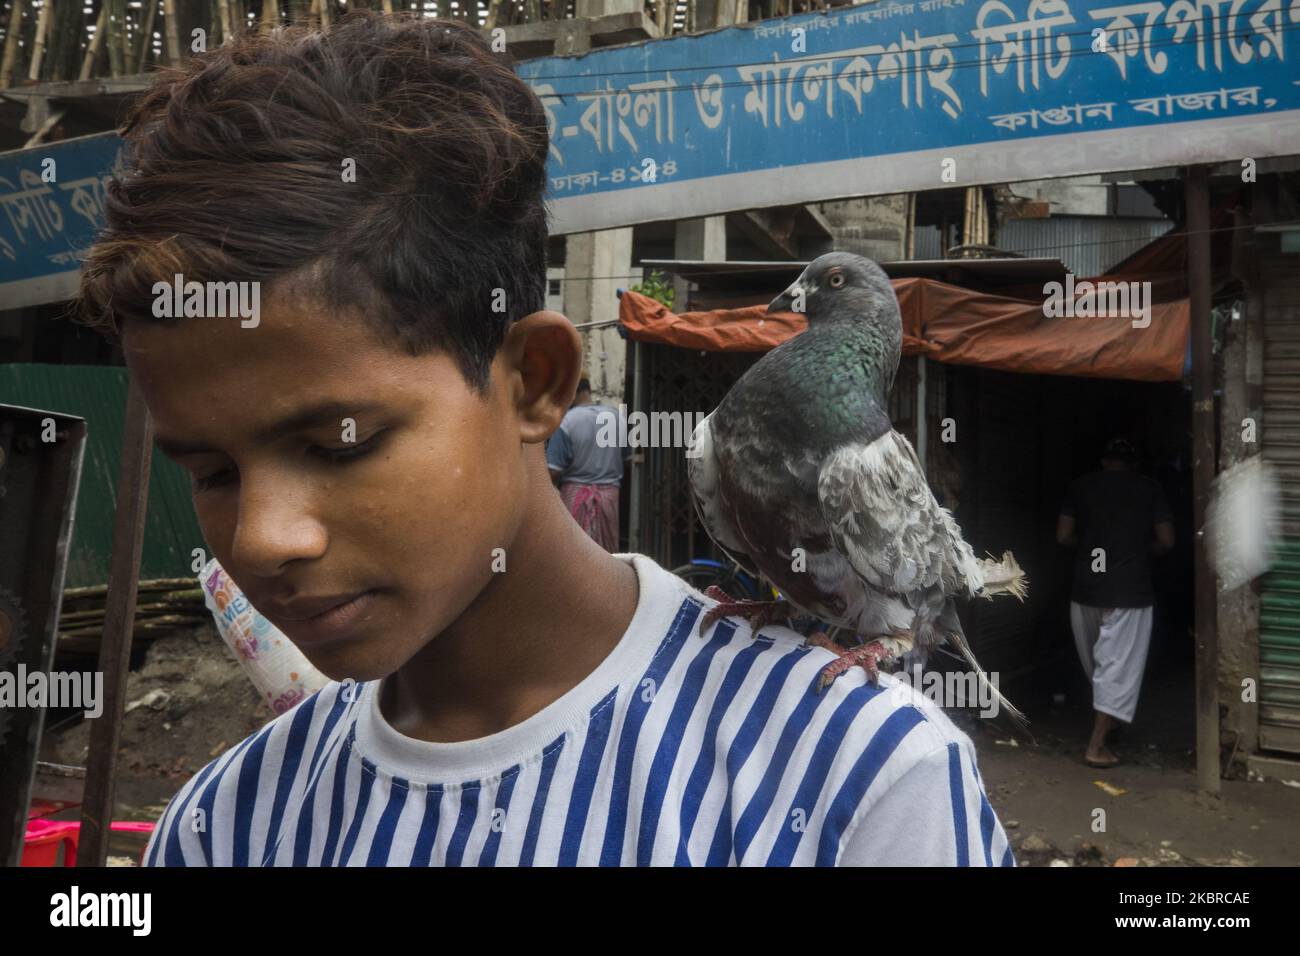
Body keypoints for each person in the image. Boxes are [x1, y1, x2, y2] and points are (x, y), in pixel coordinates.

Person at [74, 13, 1012, 866]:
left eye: (341, 443)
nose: (261, 541)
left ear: (536, 384)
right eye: (210, 470)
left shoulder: (870, 787)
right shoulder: (218, 830)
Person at [1056, 438, 1175, 769]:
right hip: (1129, 593)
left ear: (1103, 460)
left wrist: (1091, 546)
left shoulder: (1080, 486)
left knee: (1100, 668)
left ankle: (1111, 725)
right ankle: (1096, 746)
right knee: (1116, 670)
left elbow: (1063, 536)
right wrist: (1139, 551)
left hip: (1086, 591)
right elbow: (1167, 540)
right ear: (1133, 463)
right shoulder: (1149, 489)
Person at [545, 377, 623, 551]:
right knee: (608, 554)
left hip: (575, 496)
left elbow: (553, 470)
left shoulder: (567, 422)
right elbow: (629, 459)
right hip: (609, 499)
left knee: (574, 554)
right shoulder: (617, 418)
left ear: (569, 392)